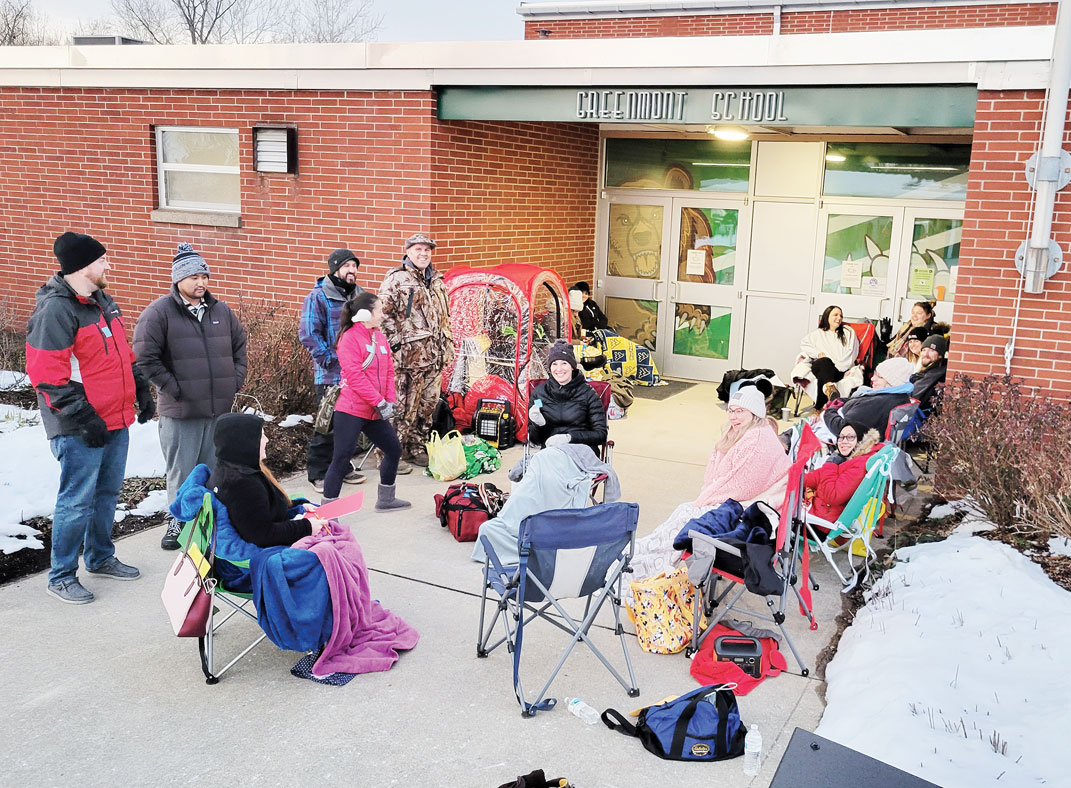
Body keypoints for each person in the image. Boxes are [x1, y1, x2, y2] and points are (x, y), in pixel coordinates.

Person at [26, 232, 155, 604]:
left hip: (114, 418)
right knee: (76, 501)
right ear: (82, 267)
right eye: (102, 261)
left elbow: (121, 354)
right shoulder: (56, 311)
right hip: (78, 425)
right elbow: (46, 376)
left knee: (108, 494)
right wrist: (83, 417)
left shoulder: (101, 301)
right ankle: (62, 576)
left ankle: (100, 556)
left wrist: (140, 388)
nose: (108, 265)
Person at [133, 242, 247, 551]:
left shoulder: (221, 311)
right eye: (194, 276)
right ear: (178, 279)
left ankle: (207, 524)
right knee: (182, 474)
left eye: (205, 276)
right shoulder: (160, 313)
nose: (201, 283)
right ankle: (177, 522)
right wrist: (175, 388)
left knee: (212, 473)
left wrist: (233, 382)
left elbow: (240, 348)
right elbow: (145, 357)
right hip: (181, 412)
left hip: (218, 409)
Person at [628, 386, 791, 585]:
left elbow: (740, 485)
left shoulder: (756, 440)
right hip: (750, 505)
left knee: (686, 519)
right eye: (731, 410)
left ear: (754, 412)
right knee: (684, 513)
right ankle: (641, 557)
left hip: (752, 513)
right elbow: (726, 476)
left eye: (740, 411)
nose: (733, 417)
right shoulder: (751, 431)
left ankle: (644, 569)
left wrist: (704, 499)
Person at [322, 292, 410, 512]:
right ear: (364, 313)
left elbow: (389, 371)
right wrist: (379, 401)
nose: (382, 314)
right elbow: (354, 377)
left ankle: (386, 499)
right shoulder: (350, 338)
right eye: (379, 310)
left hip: (374, 409)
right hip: (351, 409)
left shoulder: (379, 336)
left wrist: (389, 400)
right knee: (341, 459)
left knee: (393, 448)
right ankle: (327, 514)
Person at [378, 233, 454, 467]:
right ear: (408, 252)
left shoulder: (437, 280)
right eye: (418, 249)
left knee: (427, 406)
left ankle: (415, 447)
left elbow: (444, 319)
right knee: (403, 408)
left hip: (434, 357)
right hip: (408, 359)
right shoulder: (396, 279)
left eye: (427, 250)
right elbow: (382, 315)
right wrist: (397, 344)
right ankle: (389, 454)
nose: (423, 254)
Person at [299, 248, 370, 492]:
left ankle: (341, 466)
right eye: (347, 266)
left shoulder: (361, 296)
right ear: (335, 269)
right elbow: (308, 334)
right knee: (327, 425)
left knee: (349, 425)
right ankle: (318, 472)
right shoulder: (318, 296)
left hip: (357, 374)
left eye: (355, 266)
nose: (352, 271)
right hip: (330, 374)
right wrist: (330, 360)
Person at [209, 413, 326, 548]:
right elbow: (263, 535)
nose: (267, 440)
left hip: (264, 537)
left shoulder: (229, 468)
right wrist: (307, 527)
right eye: (262, 436)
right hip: (262, 555)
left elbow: (256, 512)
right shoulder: (243, 484)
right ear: (245, 442)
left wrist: (296, 506)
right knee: (334, 544)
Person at [527, 340, 608, 451]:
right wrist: (537, 425)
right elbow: (534, 440)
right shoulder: (539, 393)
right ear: (550, 368)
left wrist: (570, 438)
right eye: (554, 364)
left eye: (564, 363)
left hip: (582, 451)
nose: (559, 369)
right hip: (551, 453)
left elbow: (601, 434)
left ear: (572, 367)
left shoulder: (588, 394)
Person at [812, 357, 915, 442]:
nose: (872, 379)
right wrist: (839, 402)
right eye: (874, 374)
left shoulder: (877, 404)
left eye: (879, 377)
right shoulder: (897, 396)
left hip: (830, 437)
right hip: (841, 419)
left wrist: (829, 411)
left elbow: (843, 429)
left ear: (892, 382)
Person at [804, 427, 883, 523]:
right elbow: (818, 477)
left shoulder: (860, 465)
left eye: (850, 437)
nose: (843, 441)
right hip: (821, 513)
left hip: (822, 522)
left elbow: (833, 496)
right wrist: (793, 477)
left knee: (782, 513)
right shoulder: (852, 459)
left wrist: (830, 464)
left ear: (861, 441)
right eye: (841, 437)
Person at [790, 305, 860, 409]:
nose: (839, 318)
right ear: (827, 316)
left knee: (825, 375)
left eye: (841, 315)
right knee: (824, 362)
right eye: (835, 315)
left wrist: (839, 366)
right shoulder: (817, 334)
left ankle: (821, 404)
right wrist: (817, 353)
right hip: (821, 366)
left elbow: (852, 353)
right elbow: (804, 345)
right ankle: (830, 389)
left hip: (839, 370)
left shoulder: (848, 332)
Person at [910, 334, 949, 410]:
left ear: (940, 355)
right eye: (924, 350)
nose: (926, 354)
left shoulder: (936, 373)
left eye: (932, 350)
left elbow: (912, 396)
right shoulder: (926, 371)